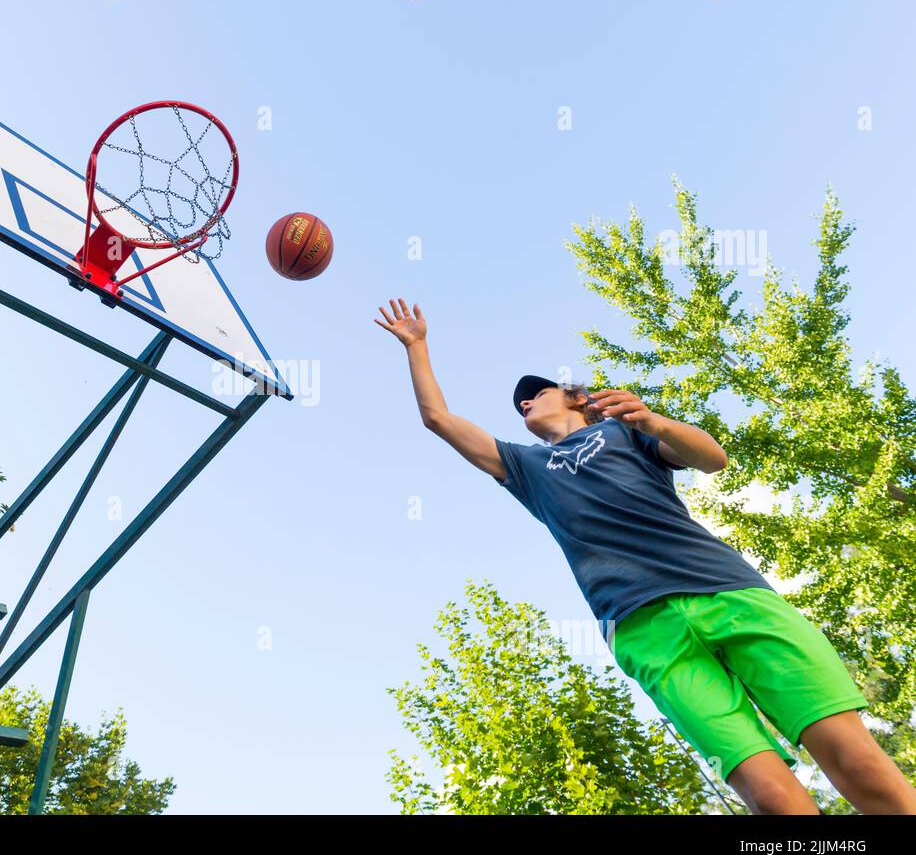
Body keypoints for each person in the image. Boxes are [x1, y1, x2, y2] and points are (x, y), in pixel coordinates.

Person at [376, 297, 916, 815]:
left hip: (727, 591)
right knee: (771, 797)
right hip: (641, 627)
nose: (525, 401)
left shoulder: (624, 431)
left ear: (576, 398)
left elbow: (712, 459)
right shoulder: (525, 469)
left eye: (538, 393)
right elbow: (438, 419)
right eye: (521, 401)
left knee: (855, 761)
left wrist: (653, 421)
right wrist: (416, 346)